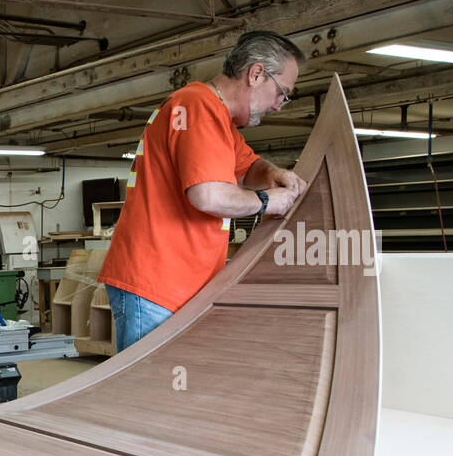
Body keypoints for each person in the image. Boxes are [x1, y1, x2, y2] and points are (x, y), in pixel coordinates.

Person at [98, 30, 309, 352]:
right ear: (256, 74)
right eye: (282, 93)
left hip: (178, 284)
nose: (280, 106)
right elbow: (208, 196)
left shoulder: (218, 120)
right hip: (158, 283)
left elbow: (248, 167)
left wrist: (274, 173)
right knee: (150, 394)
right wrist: (268, 201)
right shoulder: (197, 106)